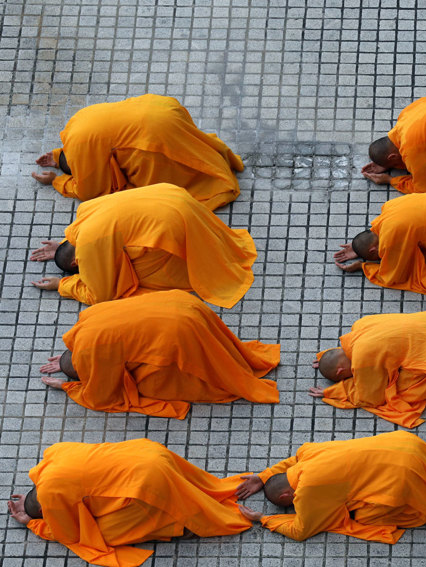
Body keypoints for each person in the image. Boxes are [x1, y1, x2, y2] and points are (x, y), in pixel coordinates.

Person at [8, 439, 256, 567]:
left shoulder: (53, 500)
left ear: (43, 509)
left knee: (101, 534)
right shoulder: (51, 457)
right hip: (148, 453)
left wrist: (33, 524)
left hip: (147, 481)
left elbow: (70, 535)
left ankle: (182, 524)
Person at [40, 290, 279, 418]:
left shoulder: (95, 353)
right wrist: (68, 361)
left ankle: (236, 376)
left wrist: (68, 387)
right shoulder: (85, 322)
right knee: (215, 350)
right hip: (183, 304)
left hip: (179, 332)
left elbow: (103, 395)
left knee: (149, 385)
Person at [234, 431, 426, 543]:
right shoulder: (308, 453)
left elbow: (302, 529)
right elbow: (289, 461)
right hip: (406, 443)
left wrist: (263, 519)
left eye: (290, 503)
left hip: (402, 475)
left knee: (363, 516)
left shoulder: (307, 492)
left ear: (288, 495)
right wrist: (263, 475)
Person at [29, 184, 257, 306]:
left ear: (76, 261)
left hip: (174, 222)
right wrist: (63, 243)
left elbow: (101, 295)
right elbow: (99, 231)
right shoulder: (83, 214)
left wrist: (63, 285)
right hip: (173, 196)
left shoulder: (89, 249)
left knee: (134, 278)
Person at [33, 94, 244, 208]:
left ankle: (216, 177)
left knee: (178, 174)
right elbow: (94, 139)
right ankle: (217, 158)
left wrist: (57, 181)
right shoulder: (74, 126)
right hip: (161, 107)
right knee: (191, 145)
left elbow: (90, 191)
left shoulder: (85, 153)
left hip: (153, 138)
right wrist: (60, 155)